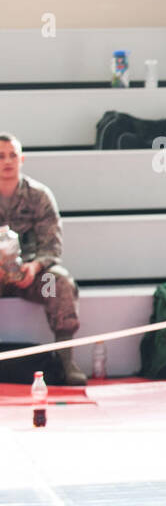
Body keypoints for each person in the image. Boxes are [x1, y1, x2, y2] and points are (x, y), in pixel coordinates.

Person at [0, 134, 86, 386]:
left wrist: (34, 267)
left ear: (22, 159)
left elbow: (52, 245)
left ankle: (65, 361)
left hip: (31, 278)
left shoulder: (39, 196)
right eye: (0, 156)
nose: (7, 161)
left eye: (12, 155)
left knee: (58, 282)